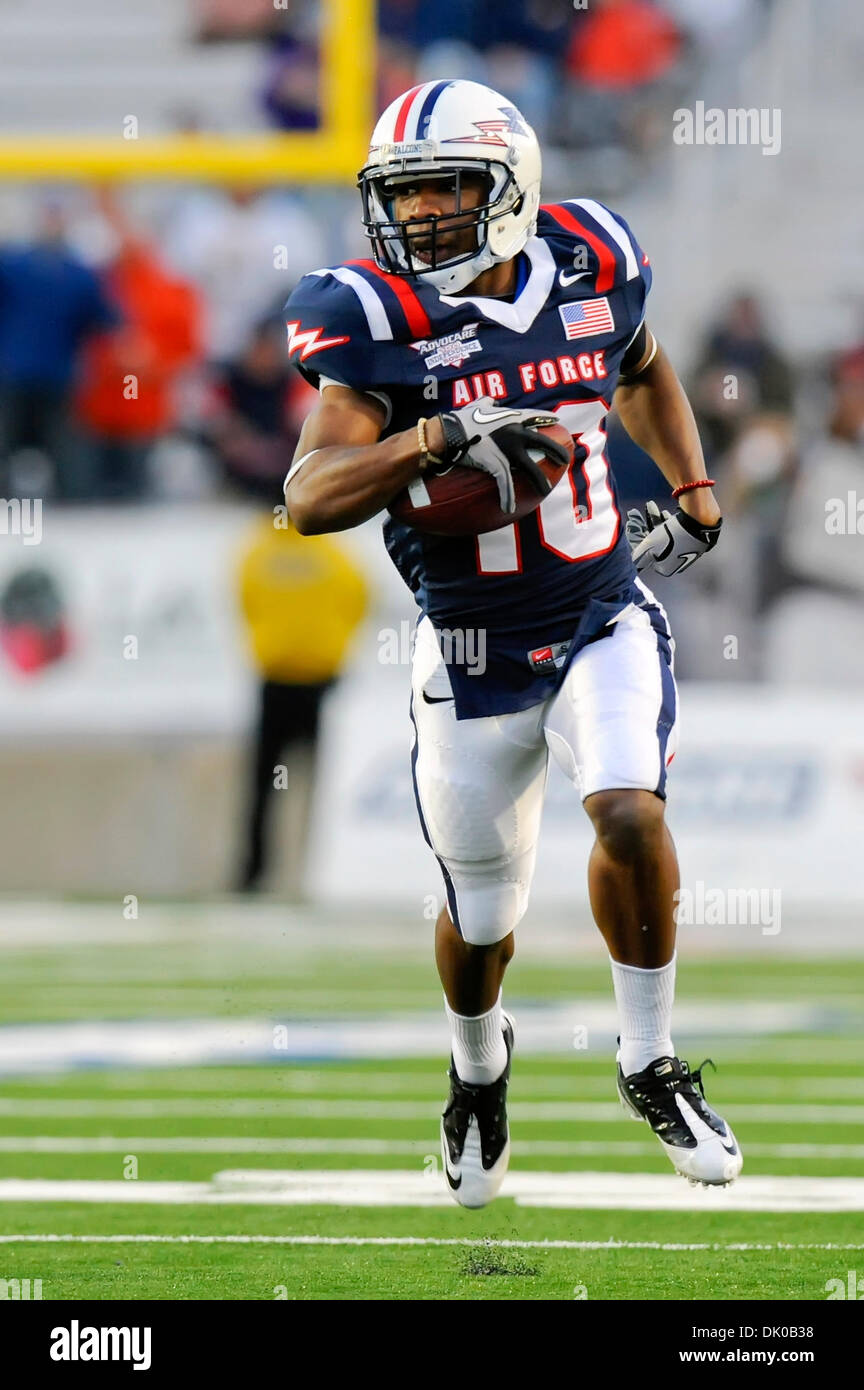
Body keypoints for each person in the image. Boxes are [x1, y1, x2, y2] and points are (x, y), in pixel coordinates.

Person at [282, 78, 741, 1208]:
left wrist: (689, 482)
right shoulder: (375, 317)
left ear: (513, 184)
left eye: (447, 186)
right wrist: (436, 435)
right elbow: (307, 493)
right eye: (406, 193)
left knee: (630, 806)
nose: (424, 215)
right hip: (469, 648)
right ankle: (478, 1066)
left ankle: (649, 1058)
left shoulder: (591, 256)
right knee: (482, 917)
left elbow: (637, 363)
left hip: (597, 608)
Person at [235, 509, 370, 895]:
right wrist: (333, 648)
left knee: (262, 787)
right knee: (326, 786)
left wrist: (271, 646)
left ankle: (253, 875)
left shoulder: (257, 550)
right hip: (322, 682)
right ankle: (323, 873)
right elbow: (359, 600)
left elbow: (244, 601)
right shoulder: (333, 551)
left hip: (276, 678)